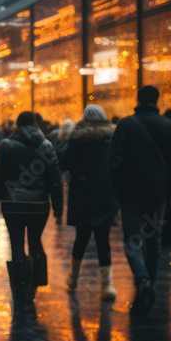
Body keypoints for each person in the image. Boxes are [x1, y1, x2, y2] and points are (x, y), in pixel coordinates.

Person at [108, 85, 171, 318]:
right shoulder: (170, 126)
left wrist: (117, 191)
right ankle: (149, 284)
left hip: (131, 194)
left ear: (138, 99)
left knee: (133, 241)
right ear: (157, 99)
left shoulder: (125, 125)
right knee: (154, 241)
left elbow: (113, 163)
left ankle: (142, 280)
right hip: (159, 194)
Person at [0, 111, 63, 302]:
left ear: (16, 126)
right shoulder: (46, 145)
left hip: (12, 205)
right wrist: (58, 209)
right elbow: (55, 181)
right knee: (35, 241)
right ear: (36, 125)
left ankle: (20, 287)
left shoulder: (5, 145)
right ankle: (34, 284)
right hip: (39, 206)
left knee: (17, 244)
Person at [61, 105, 118, 300]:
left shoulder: (77, 139)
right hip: (106, 194)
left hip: (82, 194)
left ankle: (73, 279)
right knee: (104, 240)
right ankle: (107, 286)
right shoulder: (113, 138)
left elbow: (64, 163)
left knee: (81, 238)